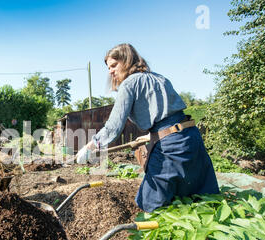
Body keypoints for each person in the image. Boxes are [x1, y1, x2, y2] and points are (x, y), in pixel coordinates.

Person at [76, 43, 219, 212]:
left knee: (151, 203)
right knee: (201, 199)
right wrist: (155, 135)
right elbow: (168, 116)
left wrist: (90, 146)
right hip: (190, 137)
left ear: (127, 60)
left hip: (171, 147)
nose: (111, 71)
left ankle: (158, 237)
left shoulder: (129, 84)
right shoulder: (159, 78)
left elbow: (114, 126)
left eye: (114, 65)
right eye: (108, 68)